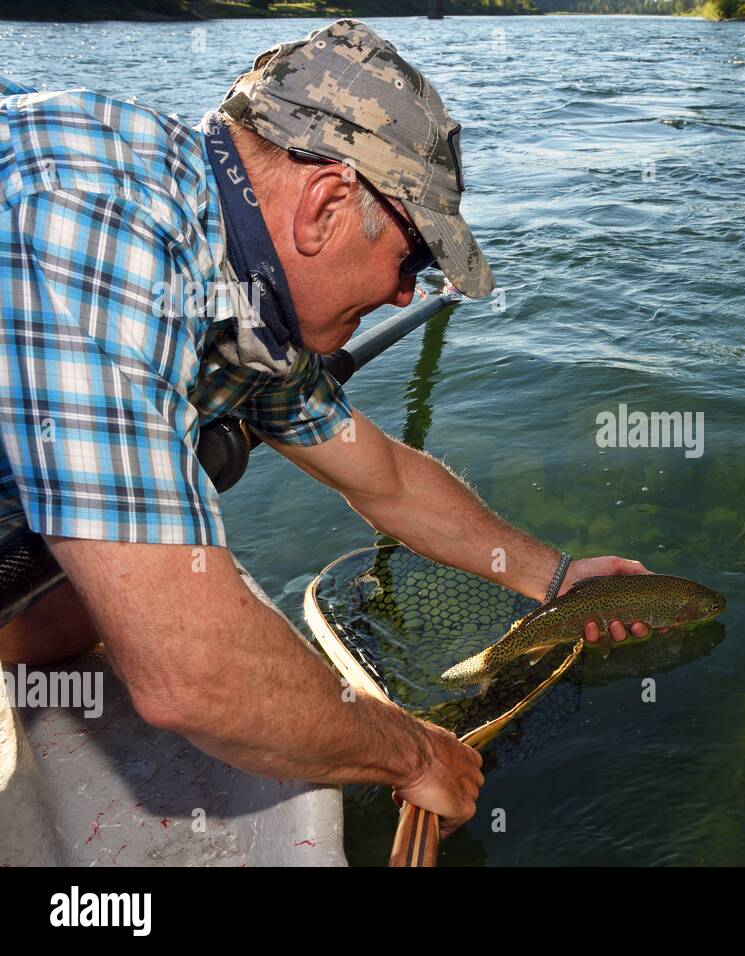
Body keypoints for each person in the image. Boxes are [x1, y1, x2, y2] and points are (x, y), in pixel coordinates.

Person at [0, 19, 661, 837]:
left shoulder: (240, 287)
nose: (404, 297)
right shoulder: (95, 218)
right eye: (412, 259)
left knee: (78, 615)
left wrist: (554, 579)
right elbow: (191, 679)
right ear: (327, 204)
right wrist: (415, 756)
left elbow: (382, 476)